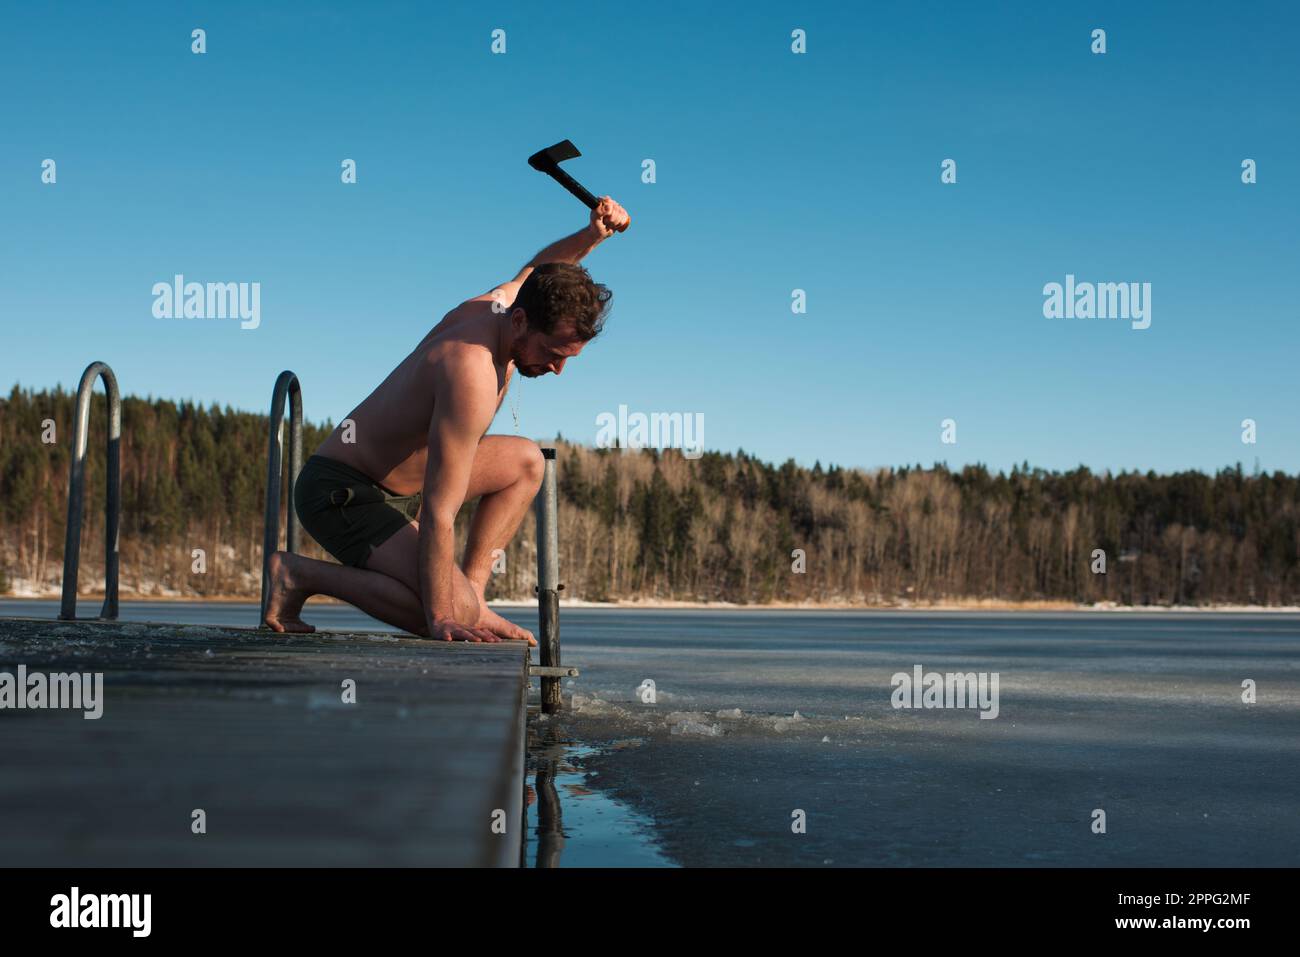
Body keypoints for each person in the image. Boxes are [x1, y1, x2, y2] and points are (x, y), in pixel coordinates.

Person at [262, 196, 629, 642]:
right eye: (552, 354)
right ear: (520, 322)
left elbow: (538, 269)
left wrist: (591, 236)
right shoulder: (470, 373)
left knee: (527, 462)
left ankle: (472, 597)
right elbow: (440, 510)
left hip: (405, 487)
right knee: (449, 612)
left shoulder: (502, 305)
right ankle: (297, 575)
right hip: (344, 493)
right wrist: (444, 618)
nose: (558, 369)